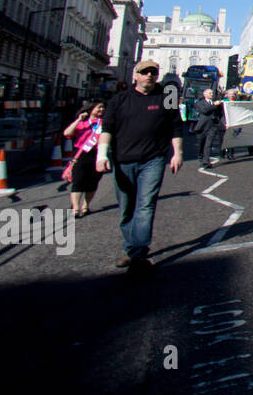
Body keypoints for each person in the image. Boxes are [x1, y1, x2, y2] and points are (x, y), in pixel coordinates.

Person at [95, 60, 184, 272]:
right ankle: (131, 249)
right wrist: (101, 155)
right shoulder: (120, 100)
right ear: (135, 75)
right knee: (126, 208)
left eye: (153, 72)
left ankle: (138, 254)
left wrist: (177, 153)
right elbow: (107, 128)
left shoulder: (167, 98)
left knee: (145, 206)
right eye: (145, 72)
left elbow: (176, 127)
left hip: (153, 160)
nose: (149, 76)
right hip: (123, 160)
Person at [63, 102, 105, 217]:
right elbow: (67, 133)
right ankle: (76, 208)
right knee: (78, 181)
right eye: (99, 107)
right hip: (81, 154)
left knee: (93, 181)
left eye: (102, 107)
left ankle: (85, 206)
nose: (101, 109)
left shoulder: (104, 124)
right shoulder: (82, 123)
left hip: (97, 153)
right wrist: (79, 119)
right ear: (90, 109)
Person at [193, 88, 224, 170]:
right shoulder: (200, 103)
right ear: (205, 95)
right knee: (201, 144)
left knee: (208, 144)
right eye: (210, 93)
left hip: (212, 126)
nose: (212, 94)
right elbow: (205, 110)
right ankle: (200, 156)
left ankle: (206, 162)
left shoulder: (215, 103)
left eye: (212, 93)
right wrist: (214, 105)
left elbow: (219, 113)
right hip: (202, 127)